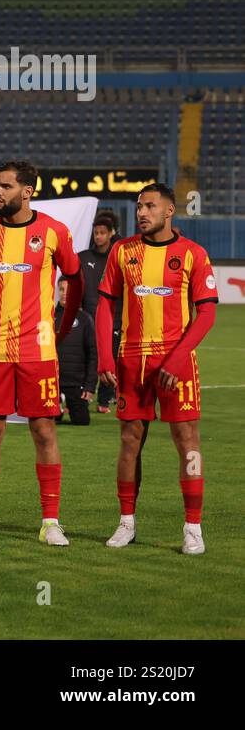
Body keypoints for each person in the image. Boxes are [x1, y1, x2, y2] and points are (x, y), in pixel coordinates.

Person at [0, 160, 82, 547]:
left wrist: (61, 329)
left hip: (38, 353)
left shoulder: (54, 232)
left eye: (5, 186)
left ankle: (50, 522)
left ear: (27, 192)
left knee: (44, 431)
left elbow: (75, 280)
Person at [97, 183, 217, 555]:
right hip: (132, 360)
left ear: (169, 211)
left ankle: (193, 528)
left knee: (188, 443)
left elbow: (207, 312)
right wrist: (104, 358)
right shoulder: (122, 251)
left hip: (174, 362)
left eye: (149, 206)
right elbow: (104, 304)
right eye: (138, 206)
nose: (141, 213)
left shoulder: (193, 254)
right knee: (130, 441)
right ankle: (126, 523)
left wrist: (178, 359)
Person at [78, 211, 119, 413]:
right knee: (84, 359)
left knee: (109, 357)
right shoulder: (84, 258)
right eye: (96, 232)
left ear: (111, 233)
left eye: (103, 232)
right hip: (88, 317)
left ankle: (104, 400)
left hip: (112, 318)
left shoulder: (118, 258)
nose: (99, 236)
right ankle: (79, 397)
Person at [54, 277, 97, 426]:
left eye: (69, 290)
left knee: (81, 421)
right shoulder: (49, 316)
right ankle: (58, 406)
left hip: (76, 384)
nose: (64, 293)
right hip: (53, 383)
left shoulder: (85, 319)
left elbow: (93, 354)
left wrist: (90, 386)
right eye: (61, 289)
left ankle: (67, 404)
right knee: (48, 421)